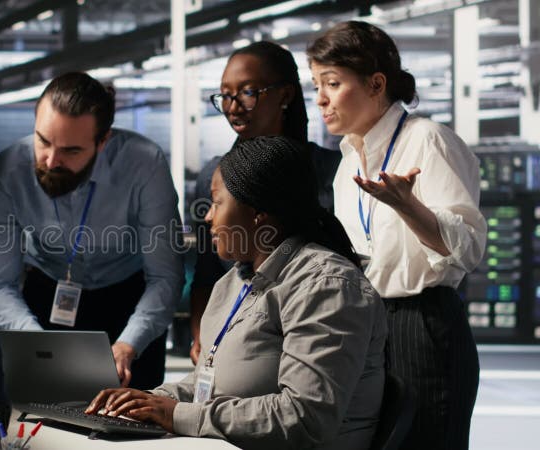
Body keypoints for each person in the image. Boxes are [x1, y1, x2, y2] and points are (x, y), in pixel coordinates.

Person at [86, 136, 387, 450]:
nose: (208, 217)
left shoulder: (325, 285)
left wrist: (176, 415)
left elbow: (304, 416)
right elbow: (206, 387)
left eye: (216, 203)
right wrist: (148, 401)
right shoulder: (233, 282)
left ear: (258, 211)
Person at [307, 21, 487, 449]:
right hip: (365, 323)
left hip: (421, 324)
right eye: (316, 84)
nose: (320, 99)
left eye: (332, 83)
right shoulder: (348, 159)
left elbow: (467, 249)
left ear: (375, 83)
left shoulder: (428, 140)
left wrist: (408, 206)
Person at [0, 72, 183, 390]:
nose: (51, 160)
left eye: (71, 151)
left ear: (103, 141)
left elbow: (165, 277)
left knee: (129, 423)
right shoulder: (6, 172)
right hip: (46, 296)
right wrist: (38, 350)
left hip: (128, 301)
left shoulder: (145, 164)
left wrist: (129, 344)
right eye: (43, 141)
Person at [189, 41, 341, 364]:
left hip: (308, 332)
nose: (233, 106)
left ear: (285, 95)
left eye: (247, 92)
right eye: (225, 95)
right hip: (233, 339)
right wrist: (201, 335)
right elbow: (206, 273)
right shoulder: (213, 179)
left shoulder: (328, 172)